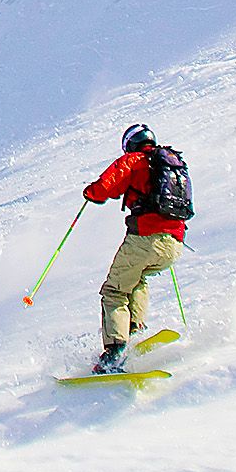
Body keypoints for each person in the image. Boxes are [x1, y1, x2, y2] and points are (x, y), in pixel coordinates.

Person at [81, 123, 187, 373]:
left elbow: (105, 188)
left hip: (145, 238)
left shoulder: (134, 160)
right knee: (137, 281)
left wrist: (90, 192)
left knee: (113, 291)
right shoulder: (171, 165)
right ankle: (135, 332)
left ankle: (115, 350)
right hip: (174, 243)